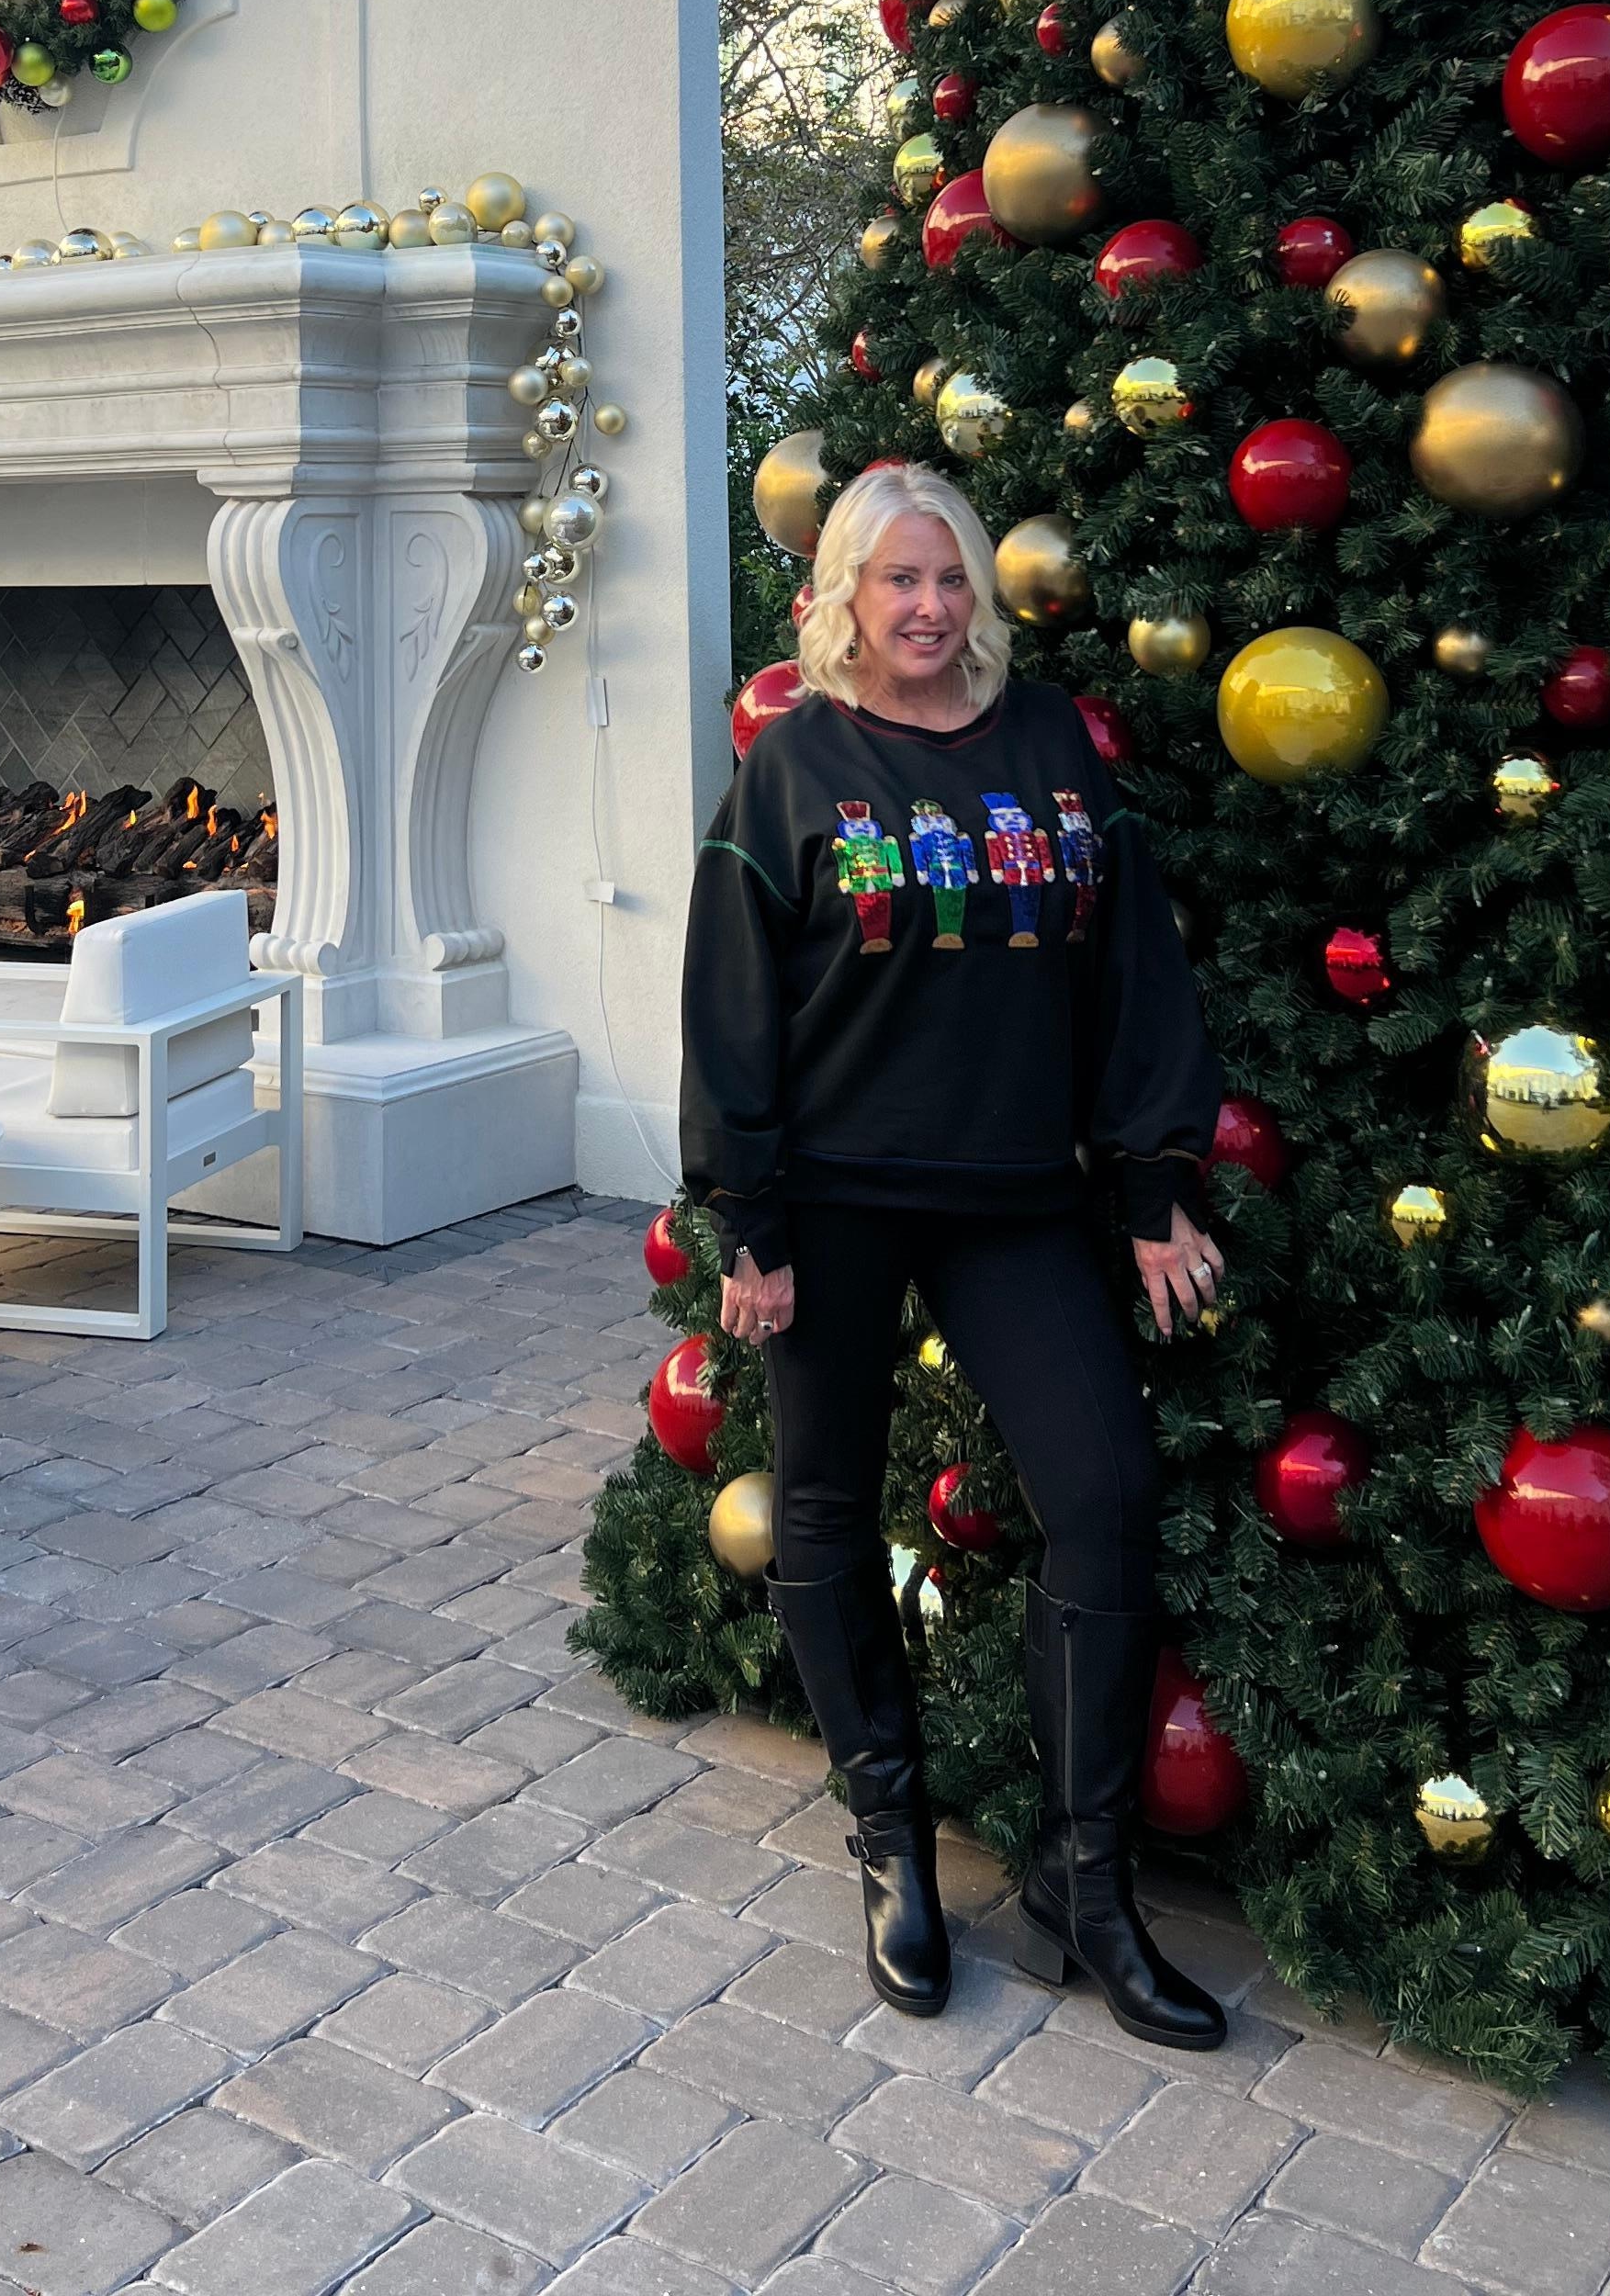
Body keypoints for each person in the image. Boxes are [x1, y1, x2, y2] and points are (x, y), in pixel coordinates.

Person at [679, 464, 1228, 2043]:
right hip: (834, 1203)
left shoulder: (1051, 745)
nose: (924, 607)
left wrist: (1150, 1184)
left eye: (947, 580)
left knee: (1107, 1497)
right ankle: (893, 1842)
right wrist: (752, 1217)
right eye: (893, 580)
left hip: (1016, 1199)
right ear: (843, 596)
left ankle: (1084, 1881)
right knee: (827, 1507)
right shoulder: (794, 765)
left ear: (975, 593)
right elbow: (733, 1006)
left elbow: (1132, 970)